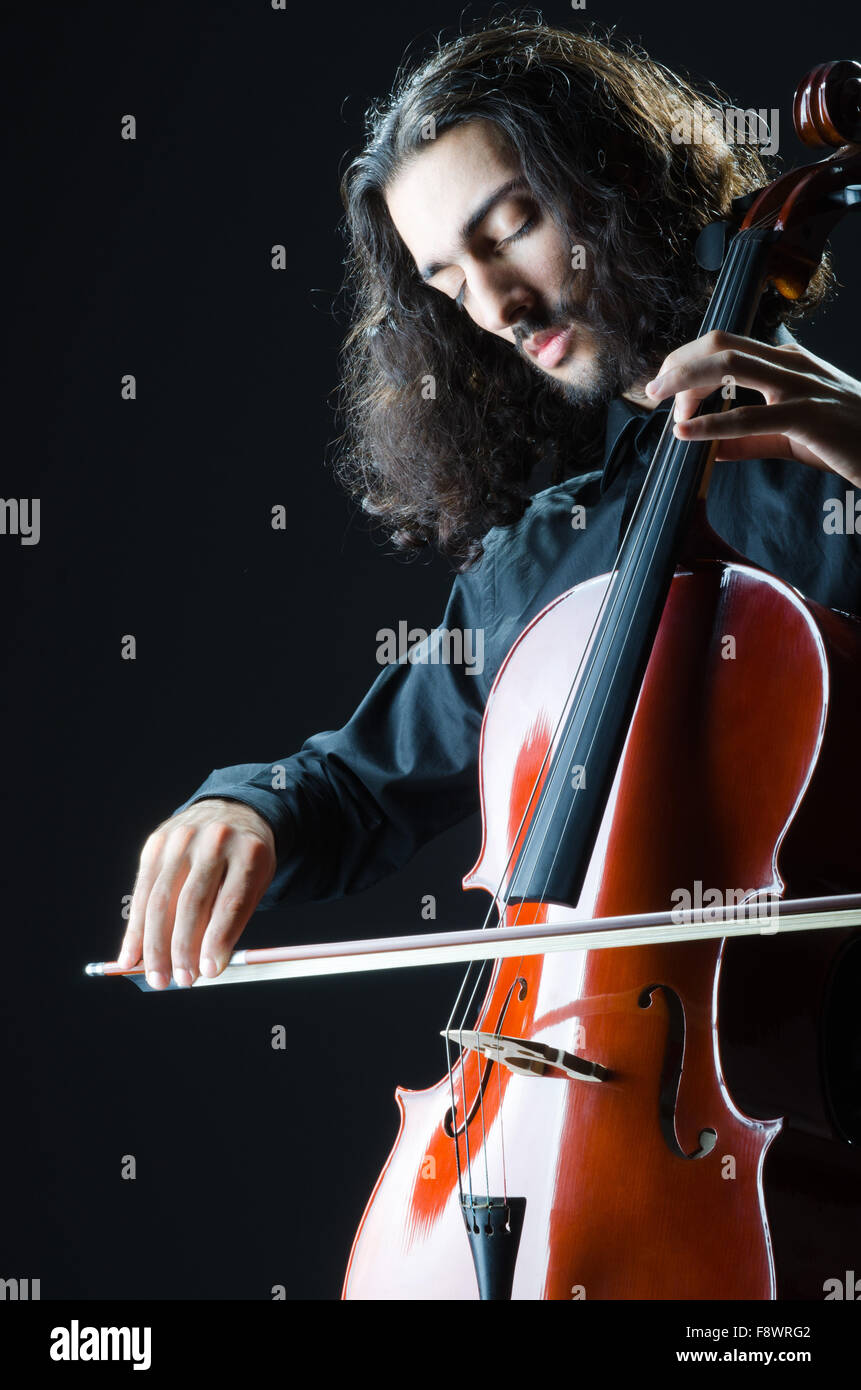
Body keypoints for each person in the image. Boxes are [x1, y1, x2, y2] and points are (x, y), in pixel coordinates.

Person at [118, 20, 861, 991]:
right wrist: (246, 809)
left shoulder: (840, 471)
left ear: (624, 175)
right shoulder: (540, 558)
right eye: (449, 277)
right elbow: (352, 788)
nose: (497, 304)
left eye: (510, 228)